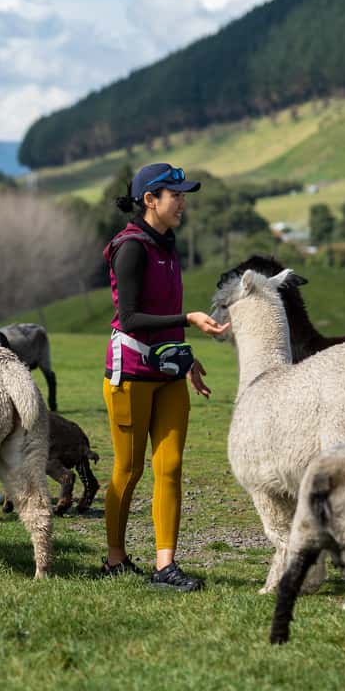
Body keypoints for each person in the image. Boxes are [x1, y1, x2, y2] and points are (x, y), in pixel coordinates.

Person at [99, 163, 228, 591]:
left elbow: (163, 312)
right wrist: (188, 319)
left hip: (169, 372)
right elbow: (131, 319)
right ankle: (115, 559)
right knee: (129, 468)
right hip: (130, 373)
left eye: (184, 196)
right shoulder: (131, 248)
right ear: (150, 200)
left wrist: (186, 357)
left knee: (169, 466)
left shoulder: (167, 244)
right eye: (176, 196)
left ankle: (164, 566)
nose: (182, 204)